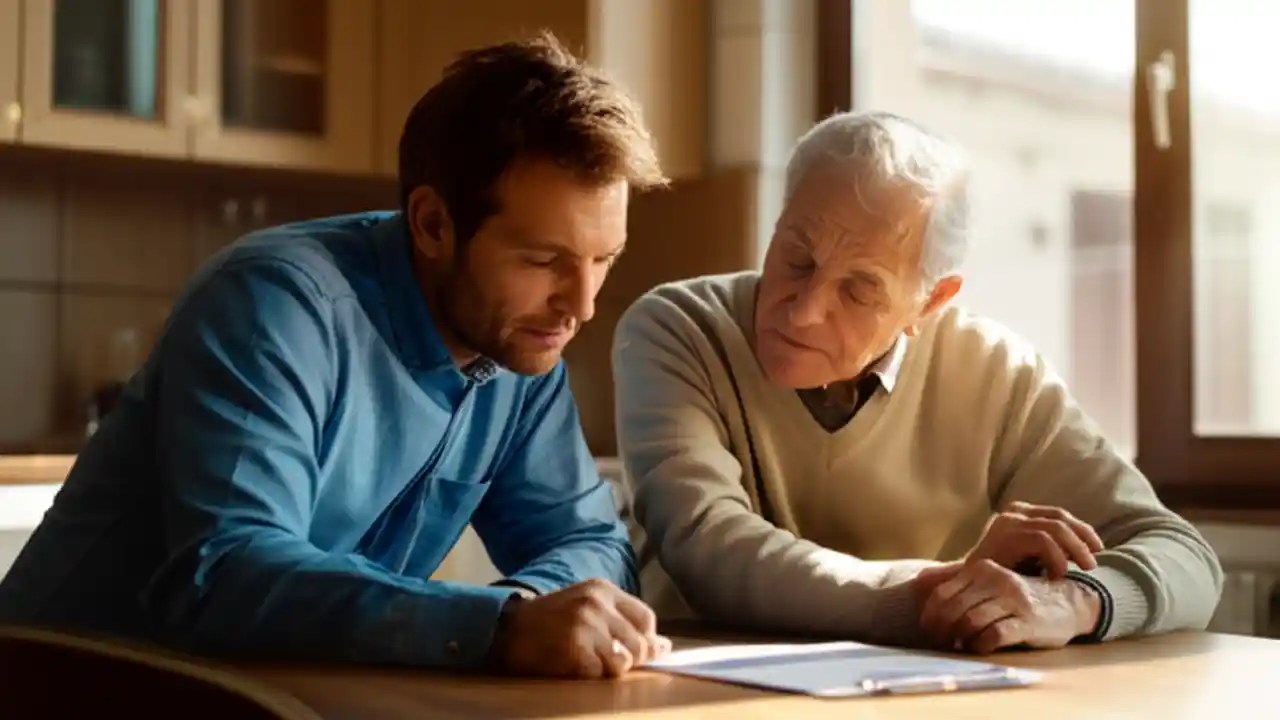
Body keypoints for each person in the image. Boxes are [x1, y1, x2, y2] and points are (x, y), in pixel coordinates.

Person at [0, 33, 671, 679]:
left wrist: (534, 612)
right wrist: (502, 626)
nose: (580, 306)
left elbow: (596, 547)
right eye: (543, 260)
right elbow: (227, 571)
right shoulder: (276, 305)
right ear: (433, 223)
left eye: (603, 260)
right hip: (69, 692)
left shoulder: (521, 343)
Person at [613, 110, 1223, 654]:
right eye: (797, 258)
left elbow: (1184, 556)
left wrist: (1072, 602)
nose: (803, 310)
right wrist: (938, 595)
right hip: (692, 690)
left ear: (931, 301)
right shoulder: (677, 330)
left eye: (859, 290)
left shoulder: (997, 375)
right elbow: (710, 547)